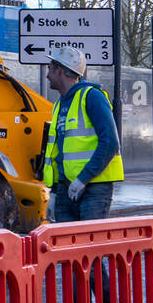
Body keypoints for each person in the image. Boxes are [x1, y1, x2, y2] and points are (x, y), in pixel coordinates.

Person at [43, 46, 123, 222]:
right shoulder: (59, 105)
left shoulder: (92, 97)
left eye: (50, 68)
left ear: (60, 70)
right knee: (68, 246)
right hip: (66, 189)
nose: (47, 74)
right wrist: (55, 193)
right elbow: (59, 154)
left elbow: (110, 143)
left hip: (93, 188)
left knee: (91, 246)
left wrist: (82, 180)